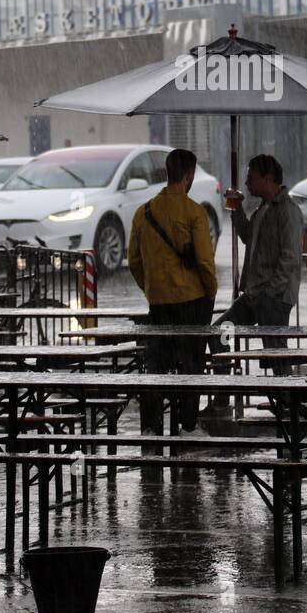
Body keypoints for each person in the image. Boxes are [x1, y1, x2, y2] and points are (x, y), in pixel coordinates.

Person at [128, 147, 218, 437]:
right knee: (191, 366)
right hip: (192, 302)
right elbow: (205, 262)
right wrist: (210, 292)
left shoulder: (143, 213)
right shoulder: (194, 212)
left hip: (159, 304)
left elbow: (134, 261)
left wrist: (151, 288)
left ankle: (151, 427)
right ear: (189, 175)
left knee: (157, 365)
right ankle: (188, 425)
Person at [216, 153, 304, 374]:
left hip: (274, 297)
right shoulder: (262, 209)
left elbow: (290, 257)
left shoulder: (287, 210)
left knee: (276, 354)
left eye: (251, 178)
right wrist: (236, 208)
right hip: (255, 294)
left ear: (267, 179)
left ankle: (286, 394)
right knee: (220, 333)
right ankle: (222, 389)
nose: (247, 183)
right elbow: (248, 236)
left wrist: (271, 293)